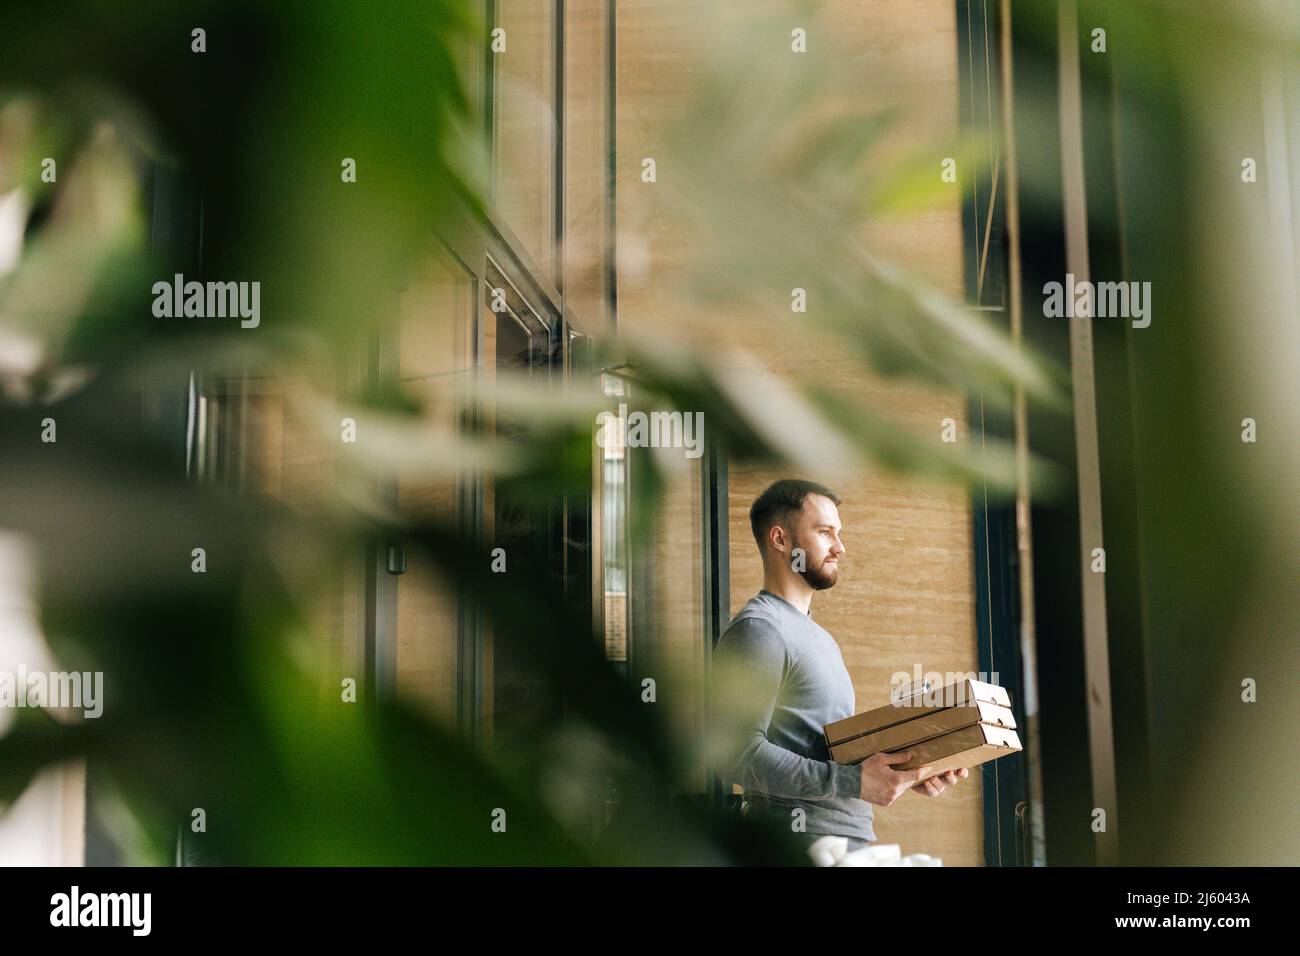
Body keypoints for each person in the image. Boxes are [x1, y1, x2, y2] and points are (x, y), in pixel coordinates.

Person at [712, 479, 969, 855]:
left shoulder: (818, 637)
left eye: (839, 533)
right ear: (780, 540)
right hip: (797, 848)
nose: (840, 547)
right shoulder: (760, 629)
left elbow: (824, 753)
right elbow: (734, 753)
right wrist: (853, 782)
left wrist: (907, 769)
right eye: (824, 532)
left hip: (846, 844)